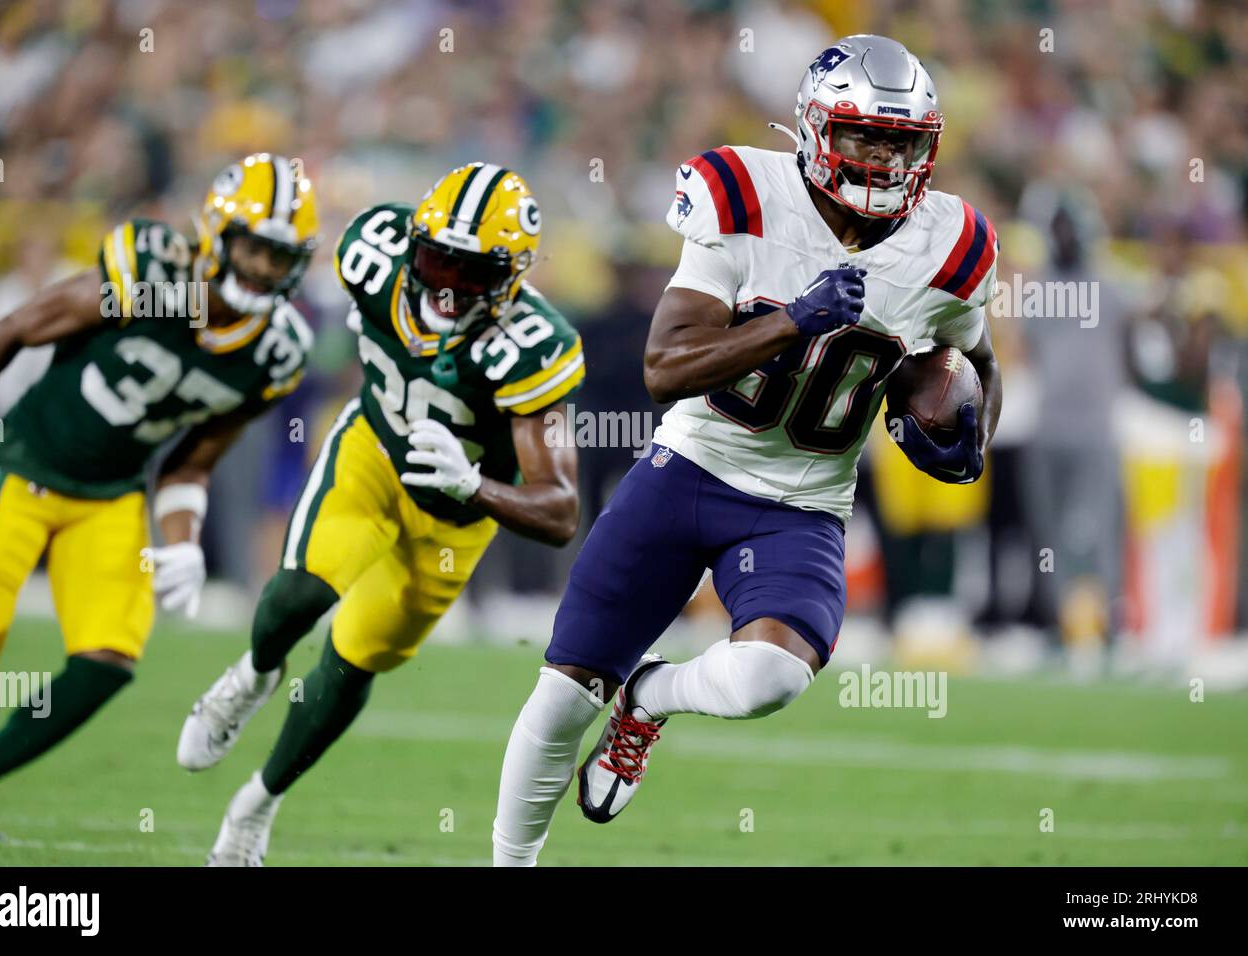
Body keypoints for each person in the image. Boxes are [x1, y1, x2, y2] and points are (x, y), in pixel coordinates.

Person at [491, 35, 1003, 865]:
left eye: (901, 142)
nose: (882, 160)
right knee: (558, 699)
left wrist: (969, 433)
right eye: (863, 137)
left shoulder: (952, 245)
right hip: (690, 468)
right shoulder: (747, 194)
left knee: (771, 678)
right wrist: (793, 320)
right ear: (812, 130)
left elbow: (974, 361)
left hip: (802, 502)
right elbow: (665, 368)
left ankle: (650, 696)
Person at [177, 164, 586, 866]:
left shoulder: (533, 345)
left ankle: (258, 802)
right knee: (302, 592)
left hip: (454, 521)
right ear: (413, 245)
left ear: (513, 275)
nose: (450, 288)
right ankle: (253, 672)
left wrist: (475, 486)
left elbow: (560, 511)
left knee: (355, 658)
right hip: (372, 452)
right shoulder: (372, 250)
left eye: (474, 273)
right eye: (437, 261)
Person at [0, 153, 317, 837]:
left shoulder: (276, 350)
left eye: (282, 255)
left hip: (112, 493)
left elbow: (191, 463)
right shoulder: (156, 281)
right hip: (26, 462)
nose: (265, 268)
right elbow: (20, 324)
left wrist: (182, 544)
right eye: (255, 247)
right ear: (218, 232)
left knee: (109, 659)